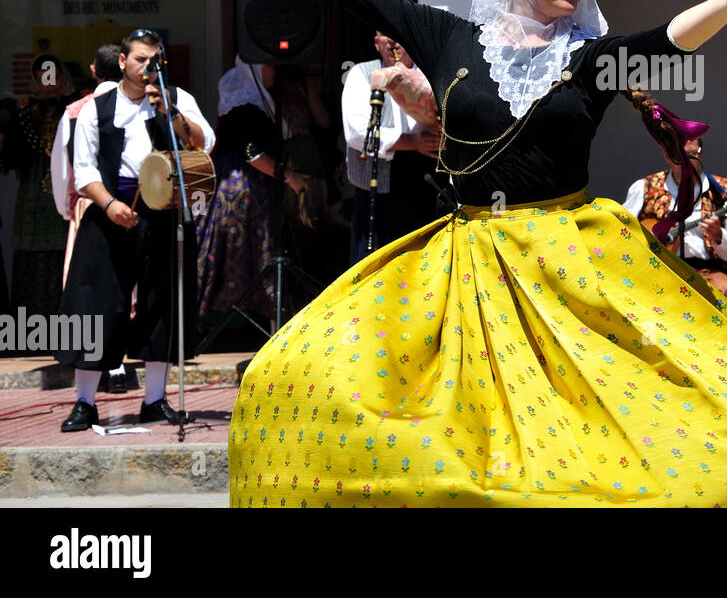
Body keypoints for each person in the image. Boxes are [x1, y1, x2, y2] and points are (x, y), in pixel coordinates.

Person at [182, 0, 727, 507]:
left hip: (571, 267)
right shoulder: (447, 39)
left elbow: (671, 41)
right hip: (467, 267)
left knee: (591, 444)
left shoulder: (589, 60)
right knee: (309, 381)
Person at [54, 29, 216, 431]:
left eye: (154, 60)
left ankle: (155, 399)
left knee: (162, 303)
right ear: (123, 62)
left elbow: (205, 142)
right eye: (141, 60)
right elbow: (85, 166)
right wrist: (108, 204)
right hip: (111, 208)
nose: (148, 68)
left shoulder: (177, 99)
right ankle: (85, 401)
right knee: (97, 302)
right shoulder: (97, 107)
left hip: (164, 210)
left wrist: (172, 116)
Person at [195, 57, 327, 322]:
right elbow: (251, 153)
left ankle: (248, 322)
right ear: (254, 70)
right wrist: (289, 177)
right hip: (244, 190)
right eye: (268, 65)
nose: (273, 70)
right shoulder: (246, 107)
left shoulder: (250, 104)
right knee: (251, 251)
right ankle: (242, 322)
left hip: (249, 186)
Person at [49, 43, 128, 391]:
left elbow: (61, 170)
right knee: (129, 287)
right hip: (132, 204)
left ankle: (95, 370)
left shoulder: (75, 111)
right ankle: (119, 365)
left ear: (93, 71)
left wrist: (68, 207)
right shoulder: (136, 107)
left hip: (90, 205)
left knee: (89, 287)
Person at [623, 116, 727, 309]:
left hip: (707, 273)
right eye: (679, 155)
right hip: (658, 272)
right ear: (667, 155)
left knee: (723, 288)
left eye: (692, 155)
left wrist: (720, 236)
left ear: (701, 154)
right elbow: (620, 232)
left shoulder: (724, 192)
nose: (686, 162)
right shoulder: (643, 188)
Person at [342, 31, 450, 264]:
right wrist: (412, 142)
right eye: (385, 35)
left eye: (398, 33)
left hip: (427, 185)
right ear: (376, 43)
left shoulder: (433, 72)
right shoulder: (361, 74)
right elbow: (357, 132)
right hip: (378, 191)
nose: (392, 41)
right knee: (376, 267)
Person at [10, 55, 76, 318]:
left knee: (64, 249)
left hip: (63, 183)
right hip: (34, 189)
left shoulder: (74, 106)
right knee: (34, 253)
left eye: (54, 76)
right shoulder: (24, 110)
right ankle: (32, 321)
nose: (50, 83)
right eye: (44, 77)